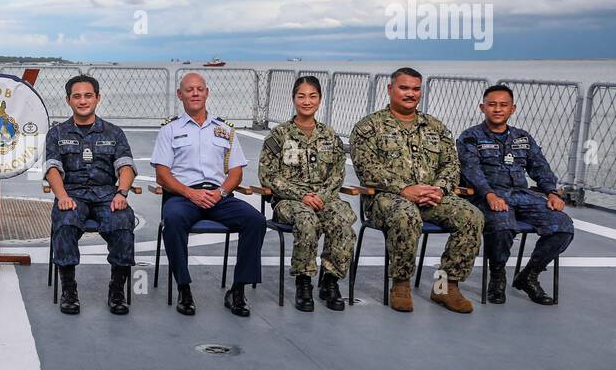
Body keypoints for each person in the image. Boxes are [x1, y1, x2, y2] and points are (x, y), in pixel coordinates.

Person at [350, 67, 483, 313]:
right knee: (406, 215)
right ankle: (401, 284)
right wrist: (404, 189)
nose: (410, 94)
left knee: (472, 217)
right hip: (386, 199)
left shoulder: (435, 127)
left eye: (415, 89)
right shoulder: (369, 127)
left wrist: (441, 189)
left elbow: (451, 164)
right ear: (390, 90)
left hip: (432, 197)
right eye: (404, 88)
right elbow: (367, 169)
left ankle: (446, 287)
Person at [152, 72, 266, 317]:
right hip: (183, 196)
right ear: (180, 95)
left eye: (199, 89)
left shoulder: (225, 130)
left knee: (255, 220)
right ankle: (184, 288)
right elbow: (162, 174)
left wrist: (221, 192)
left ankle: (237, 290)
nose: (195, 93)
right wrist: (190, 193)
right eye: (189, 90)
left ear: (207, 93)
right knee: (172, 221)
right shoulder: (170, 130)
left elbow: (236, 172)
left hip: (218, 196)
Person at [457, 84, 574, 305]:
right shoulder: (470, 137)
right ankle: (498, 276)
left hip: (521, 195)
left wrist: (552, 192)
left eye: (503, 105)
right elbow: (471, 170)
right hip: (487, 196)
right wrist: (489, 195)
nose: (498, 109)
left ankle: (529, 276)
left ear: (513, 109)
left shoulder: (522, 138)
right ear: (482, 107)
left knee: (563, 226)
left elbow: (540, 167)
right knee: (502, 225)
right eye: (492, 105)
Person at [258, 75, 356, 311]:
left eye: (312, 96)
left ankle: (330, 281)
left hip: (324, 198)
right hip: (289, 202)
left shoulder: (330, 136)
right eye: (301, 96)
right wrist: (300, 196)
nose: (306, 101)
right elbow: (267, 174)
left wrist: (321, 196)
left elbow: (337, 174)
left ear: (320, 100)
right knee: (307, 220)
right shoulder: (279, 135)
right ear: (293, 99)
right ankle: (304, 282)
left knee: (343, 220)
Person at [43, 74, 136, 315]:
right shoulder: (57, 133)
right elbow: (52, 168)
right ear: (68, 100)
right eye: (77, 96)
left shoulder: (114, 133)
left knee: (122, 220)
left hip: (107, 194)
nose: (82, 101)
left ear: (97, 98)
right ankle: (69, 289)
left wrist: (122, 193)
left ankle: (117, 289)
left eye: (88, 96)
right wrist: (62, 196)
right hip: (73, 194)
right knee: (65, 221)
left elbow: (125, 166)